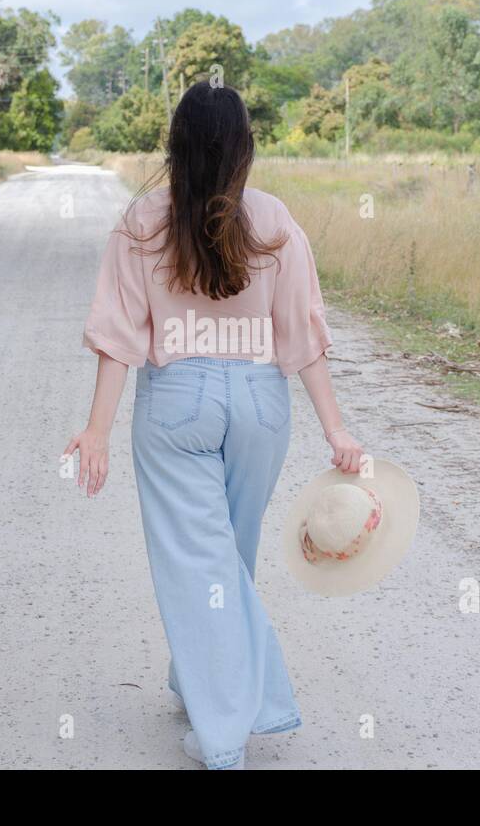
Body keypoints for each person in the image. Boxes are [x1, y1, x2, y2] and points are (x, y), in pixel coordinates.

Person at [65, 81, 364, 770]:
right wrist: (335, 428)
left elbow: (119, 335)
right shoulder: (274, 219)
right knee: (227, 554)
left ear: (175, 148)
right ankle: (198, 683)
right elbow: (304, 337)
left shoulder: (143, 220)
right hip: (261, 402)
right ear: (243, 151)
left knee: (201, 561)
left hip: (179, 403)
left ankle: (225, 732)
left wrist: (98, 430)